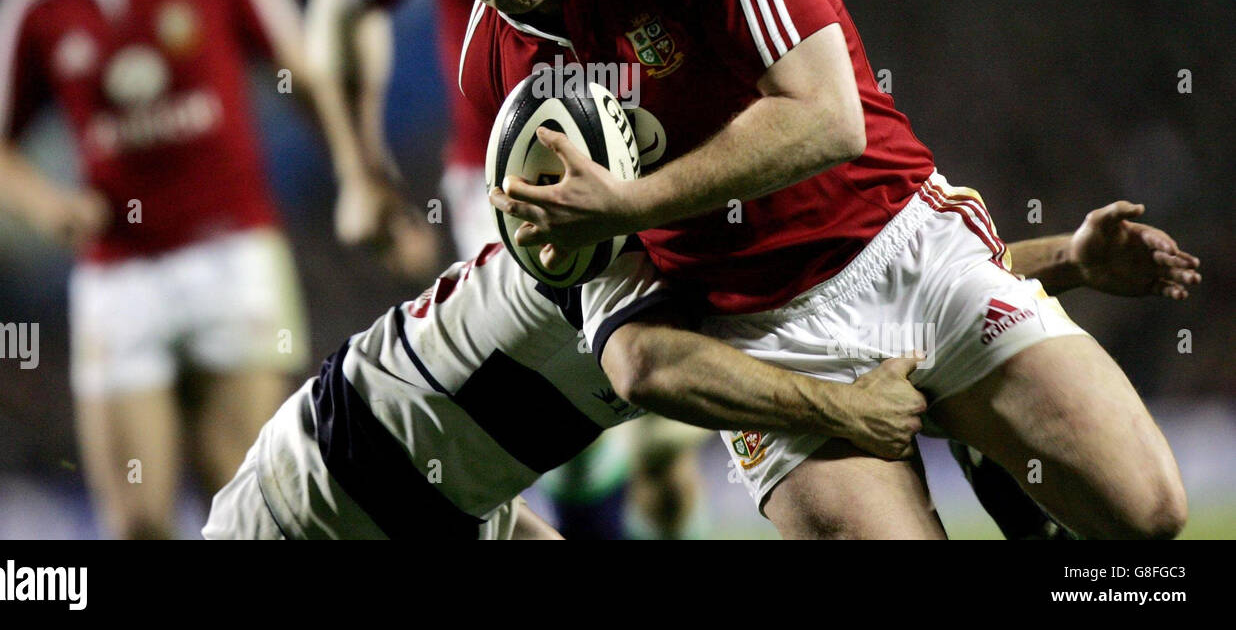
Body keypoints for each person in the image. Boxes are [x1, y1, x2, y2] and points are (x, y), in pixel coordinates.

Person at [382, 0, 1196, 538]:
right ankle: (968, 413)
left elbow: (827, 120)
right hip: (759, 338)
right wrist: (833, 407)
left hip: (905, 251)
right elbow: (633, 346)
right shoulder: (495, 75)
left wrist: (632, 205)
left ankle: (976, 426)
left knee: (1146, 518)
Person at [305, 0, 726, 538]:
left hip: (668, 168)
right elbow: (339, 21)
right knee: (570, 431)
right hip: (512, 189)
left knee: (663, 432)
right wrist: (359, 167)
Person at [0, 0, 383, 538]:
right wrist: (47, 205)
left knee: (242, 496)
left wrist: (359, 178)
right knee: (138, 522)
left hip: (234, 255)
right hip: (119, 274)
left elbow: (306, 77)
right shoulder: (35, 7)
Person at [203, 241, 928, 539]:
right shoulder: (629, 249)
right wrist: (847, 408)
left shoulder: (713, 248)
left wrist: (1007, 292)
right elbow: (646, 366)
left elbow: (882, 292)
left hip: (441, 495)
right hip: (321, 495)